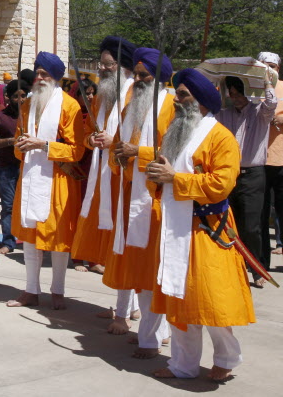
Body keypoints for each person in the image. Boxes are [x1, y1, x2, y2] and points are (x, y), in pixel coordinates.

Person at [148, 69, 255, 382]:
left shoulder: (222, 137)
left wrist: (174, 178)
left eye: (183, 95)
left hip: (208, 228)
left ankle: (226, 357)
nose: (177, 101)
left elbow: (221, 184)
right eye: (177, 94)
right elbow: (165, 175)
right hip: (175, 225)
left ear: (201, 102)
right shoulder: (175, 130)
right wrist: (159, 175)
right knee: (179, 297)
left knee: (210, 299)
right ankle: (182, 365)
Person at [103, 48, 173, 355]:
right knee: (140, 268)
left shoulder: (172, 106)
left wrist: (138, 154)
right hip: (131, 195)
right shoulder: (132, 104)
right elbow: (120, 144)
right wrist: (116, 153)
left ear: (160, 78)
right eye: (138, 74)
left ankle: (151, 338)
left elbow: (177, 155)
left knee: (152, 269)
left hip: (158, 200)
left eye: (145, 75)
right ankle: (151, 330)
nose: (139, 80)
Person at [7, 52, 85, 310]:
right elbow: (19, 143)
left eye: (44, 74)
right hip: (30, 177)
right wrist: (21, 145)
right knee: (30, 237)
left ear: (56, 78)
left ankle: (58, 291)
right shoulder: (27, 105)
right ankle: (30, 290)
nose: (38, 78)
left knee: (58, 238)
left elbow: (76, 151)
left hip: (58, 180)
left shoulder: (69, 105)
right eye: (37, 73)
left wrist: (42, 144)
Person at [75, 36, 139, 332]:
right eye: (101, 65)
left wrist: (112, 142)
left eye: (108, 65)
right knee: (115, 242)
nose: (102, 70)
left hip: (126, 179)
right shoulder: (101, 96)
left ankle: (126, 311)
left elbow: (141, 140)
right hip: (103, 176)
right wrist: (92, 139)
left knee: (124, 241)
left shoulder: (136, 95)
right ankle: (129, 304)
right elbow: (88, 132)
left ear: (124, 66)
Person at [217, 72, 276, 287]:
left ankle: (257, 269)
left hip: (253, 175)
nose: (235, 98)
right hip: (230, 174)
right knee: (229, 223)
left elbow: (272, 102)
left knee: (251, 227)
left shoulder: (260, 112)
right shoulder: (224, 114)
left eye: (238, 94)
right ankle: (233, 265)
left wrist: (267, 79)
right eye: (231, 94)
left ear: (246, 93)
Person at [0, 79, 27, 254]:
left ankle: (30, 241)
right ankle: (8, 241)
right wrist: (10, 141)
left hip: (28, 167)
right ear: (8, 97)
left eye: (23, 96)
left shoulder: (32, 116)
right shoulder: (0, 117)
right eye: (15, 96)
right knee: (8, 206)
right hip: (7, 167)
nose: (19, 100)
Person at [261, 51, 283, 262]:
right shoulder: (250, 89)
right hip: (257, 160)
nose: (269, 70)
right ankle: (261, 259)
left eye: (272, 67)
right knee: (260, 210)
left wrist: (276, 119)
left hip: (281, 159)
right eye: (264, 66)